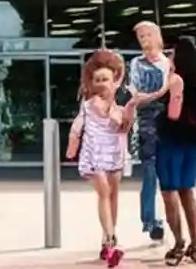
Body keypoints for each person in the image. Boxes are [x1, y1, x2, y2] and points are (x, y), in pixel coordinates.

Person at [65, 49, 133, 268]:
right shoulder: (89, 105)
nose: (102, 83)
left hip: (113, 156)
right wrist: (71, 147)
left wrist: (126, 114)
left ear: (114, 82)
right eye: (98, 80)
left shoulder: (119, 108)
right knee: (104, 192)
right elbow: (76, 128)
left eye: (106, 79)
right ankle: (111, 241)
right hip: (94, 157)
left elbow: (124, 127)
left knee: (113, 195)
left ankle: (108, 237)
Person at [157, 36, 196, 266]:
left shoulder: (175, 83)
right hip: (191, 144)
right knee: (187, 192)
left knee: (169, 192)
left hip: (171, 142)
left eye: (171, 54)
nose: (169, 58)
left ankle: (179, 243)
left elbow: (172, 114)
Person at [127, 21, 171, 242]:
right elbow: (137, 96)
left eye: (147, 35)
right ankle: (151, 220)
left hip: (169, 122)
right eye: (141, 37)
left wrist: (155, 95)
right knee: (150, 171)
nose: (144, 40)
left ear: (157, 36)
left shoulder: (169, 63)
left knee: (170, 173)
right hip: (147, 124)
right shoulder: (137, 63)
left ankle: (172, 220)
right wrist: (160, 93)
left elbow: (175, 91)